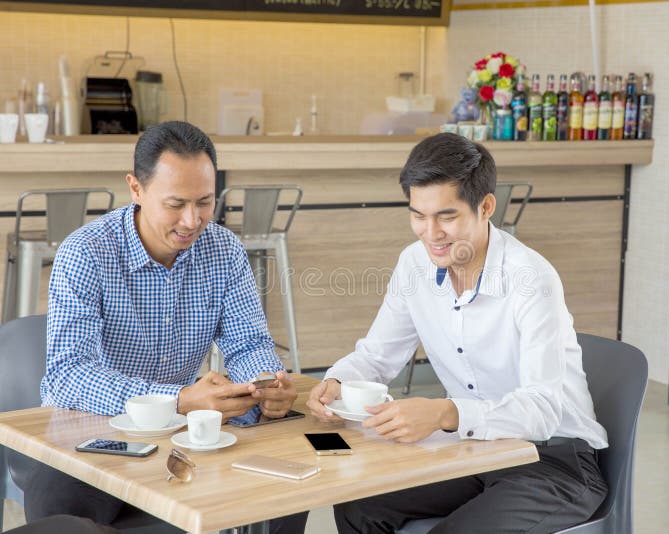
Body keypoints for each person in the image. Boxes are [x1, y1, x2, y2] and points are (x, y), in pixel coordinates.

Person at [307, 133, 609, 534]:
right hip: (474, 450)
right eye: (418, 215)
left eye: (446, 217)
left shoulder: (531, 278)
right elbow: (377, 355)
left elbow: (543, 410)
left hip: (555, 461)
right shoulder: (414, 264)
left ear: (485, 207)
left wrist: (445, 413)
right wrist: (337, 382)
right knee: (358, 505)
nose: (430, 233)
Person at [22, 121, 306, 533]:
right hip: (93, 433)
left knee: (290, 484)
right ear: (136, 189)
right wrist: (178, 400)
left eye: (205, 202)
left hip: (184, 434)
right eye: (176, 204)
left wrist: (266, 383)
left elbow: (248, 344)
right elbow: (69, 375)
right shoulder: (86, 253)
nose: (192, 220)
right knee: (57, 506)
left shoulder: (224, 251)